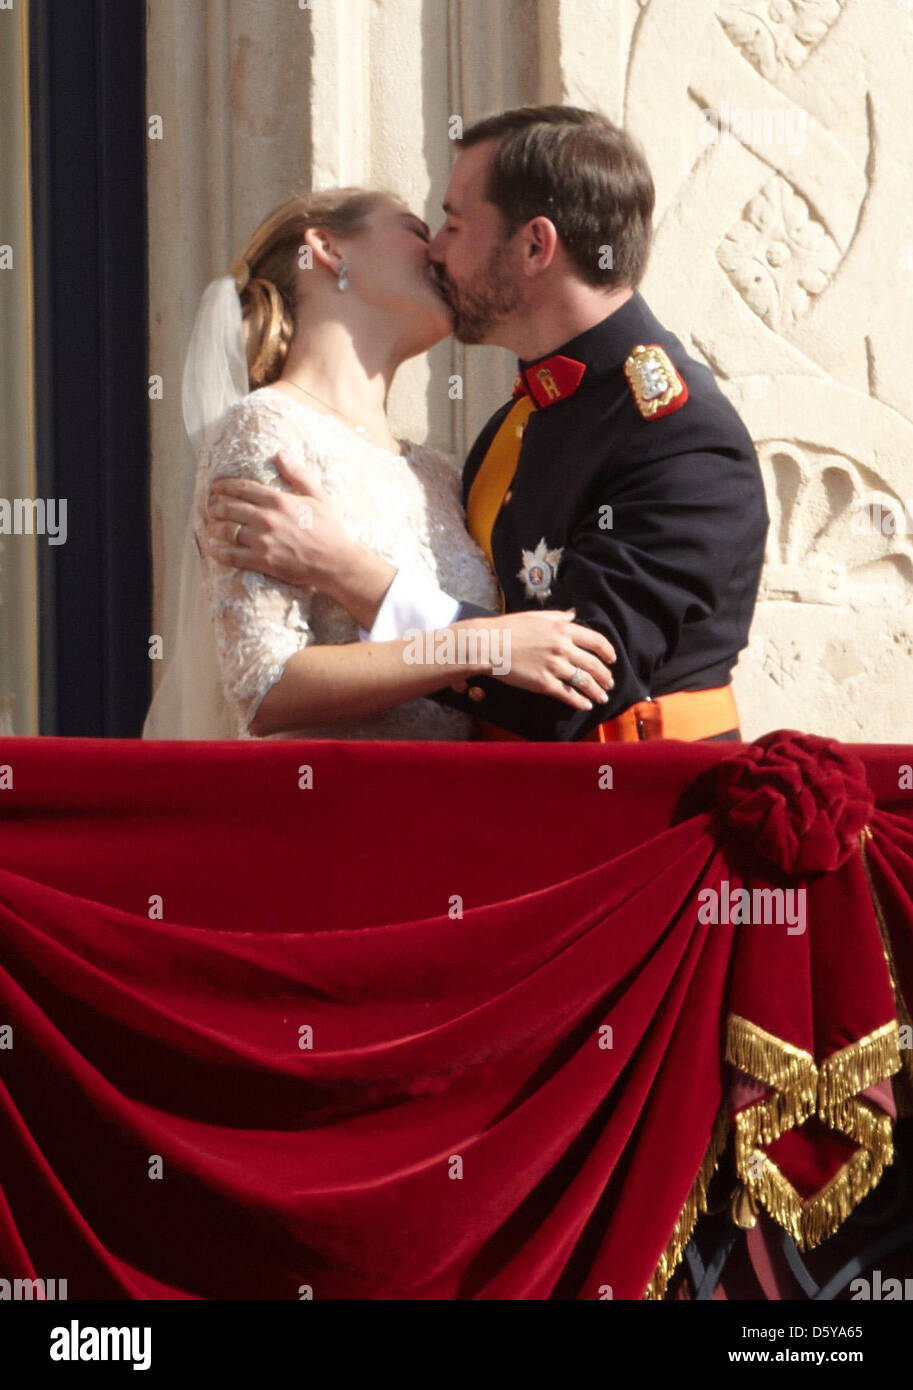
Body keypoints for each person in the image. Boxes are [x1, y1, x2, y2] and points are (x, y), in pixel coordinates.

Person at [207, 107, 770, 744]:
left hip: (630, 820)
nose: (437, 251)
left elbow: (573, 691)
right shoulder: (515, 423)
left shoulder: (678, 435)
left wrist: (346, 569)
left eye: (451, 223)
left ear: (535, 246)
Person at [142, 188, 616, 741]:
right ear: (326, 248)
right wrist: (482, 644)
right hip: (335, 809)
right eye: (417, 230)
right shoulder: (268, 429)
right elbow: (263, 687)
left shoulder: (438, 474)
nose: (440, 251)